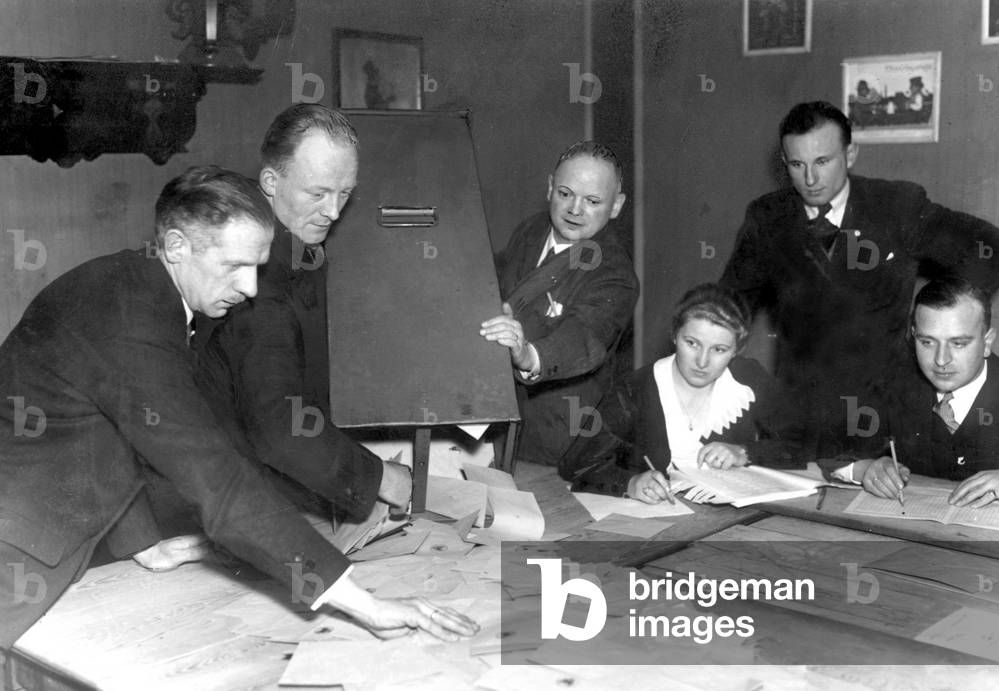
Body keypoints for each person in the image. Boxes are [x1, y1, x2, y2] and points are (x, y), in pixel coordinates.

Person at [0, 166, 477, 650]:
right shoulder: (130, 312)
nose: (250, 287)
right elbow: (216, 478)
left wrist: (141, 542)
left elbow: (108, 427)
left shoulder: (132, 287)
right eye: (234, 266)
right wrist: (364, 603)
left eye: (258, 266)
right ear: (177, 246)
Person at [720, 100, 999, 459]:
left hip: (884, 410)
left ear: (851, 153)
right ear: (784, 162)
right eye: (797, 165)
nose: (810, 179)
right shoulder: (768, 217)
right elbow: (728, 307)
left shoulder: (895, 206)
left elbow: (993, 249)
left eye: (823, 161)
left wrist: (938, 315)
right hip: (799, 414)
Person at [186, 104, 413, 555]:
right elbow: (279, 425)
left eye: (345, 193)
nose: (333, 211)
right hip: (219, 514)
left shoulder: (290, 244)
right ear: (271, 183)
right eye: (318, 193)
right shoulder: (259, 279)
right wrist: (381, 478)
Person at [559, 284, 804, 503]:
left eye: (719, 349)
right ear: (675, 336)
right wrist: (630, 483)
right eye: (692, 343)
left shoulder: (747, 379)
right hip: (657, 519)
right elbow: (576, 465)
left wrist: (745, 452)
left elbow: (801, 443)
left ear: (737, 350)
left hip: (735, 518)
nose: (702, 361)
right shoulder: (634, 389)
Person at [480, 140, 639, 466]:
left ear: (616, 205)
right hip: (494, 418)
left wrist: (528, 355)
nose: (575, 209)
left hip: (556, 439)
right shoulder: (532, 230)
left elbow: (585, 338)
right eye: (565, 193)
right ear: (550, 187)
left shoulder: (615, 273)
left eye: (593, 201)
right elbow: (492, 279)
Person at [858, 278, 999, 508]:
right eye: (927, 342)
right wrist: (864, 468)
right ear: (913, 335)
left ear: (987, 342)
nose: (941, 360)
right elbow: (828, 445)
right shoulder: (892, 386)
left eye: (958, 343)